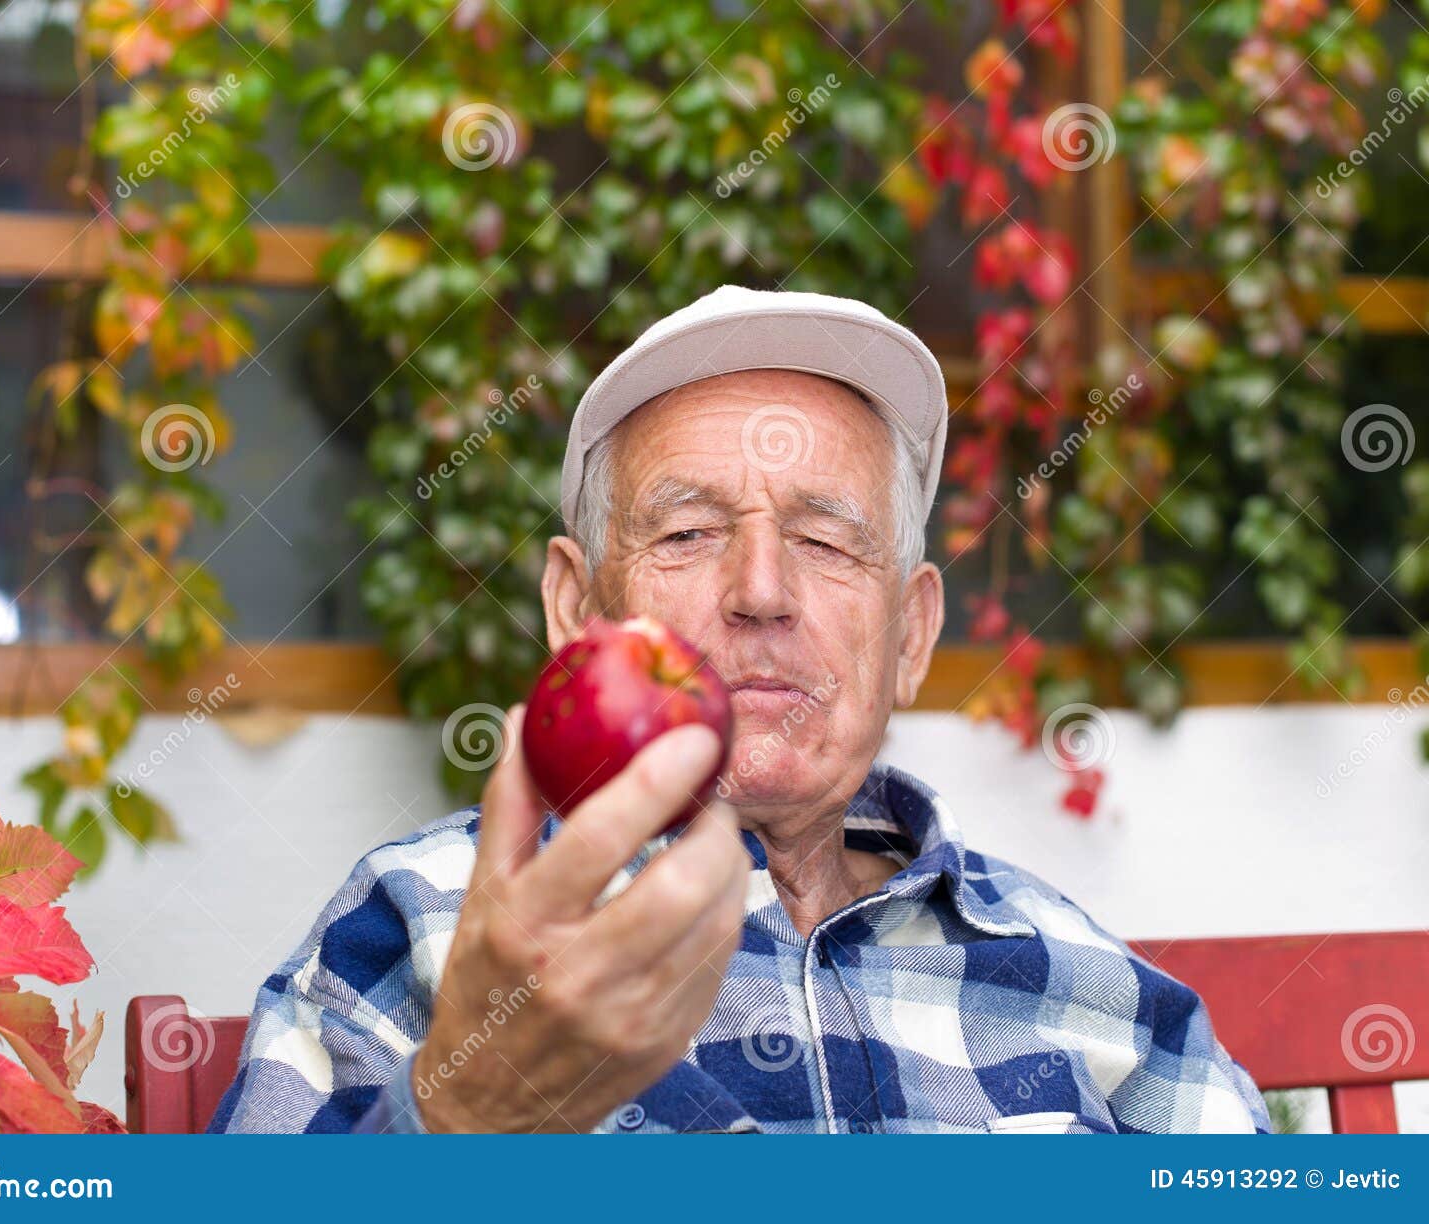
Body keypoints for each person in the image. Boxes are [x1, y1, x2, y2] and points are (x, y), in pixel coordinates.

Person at [209, 286, 1270, 1134]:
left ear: (909, 634)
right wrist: (465, 1120)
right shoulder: (422, 923)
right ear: (578, 612)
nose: (760, 591)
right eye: (684, 534)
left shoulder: (1088, 982)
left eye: (824, 540)